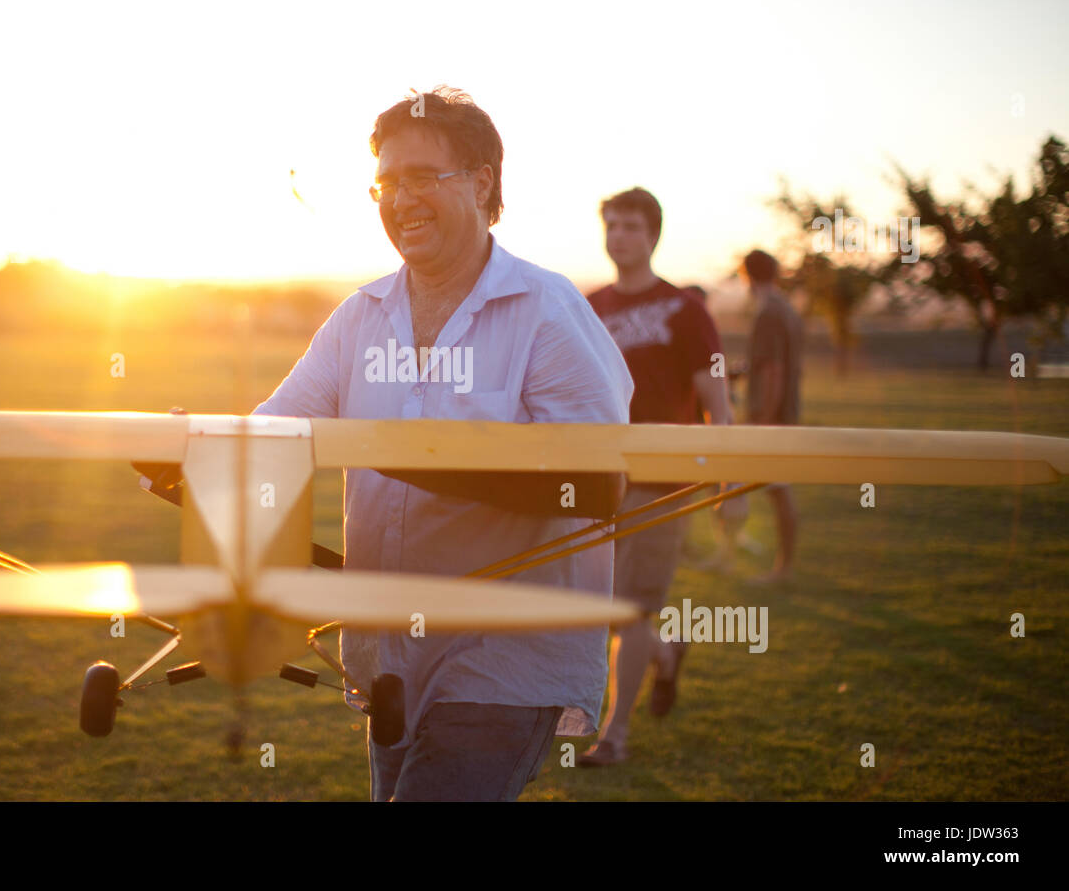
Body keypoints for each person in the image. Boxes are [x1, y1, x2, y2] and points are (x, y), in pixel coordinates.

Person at [251, 87, 633, 800]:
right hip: (386, 654)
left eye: (423, 177)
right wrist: (190, 443)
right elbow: (277, 431)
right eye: (388, 183)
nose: (402, 200)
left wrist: (419, 457)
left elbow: (596, 485)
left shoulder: (549, 312)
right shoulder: (357, 318)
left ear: (482, 182)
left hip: (505, 652)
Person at [579, 187, 740, 765]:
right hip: (597, 481)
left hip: (662, 481)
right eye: (612, 225)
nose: (618, 235)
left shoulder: (684, 310)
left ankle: (613, 736)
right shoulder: (588, 307)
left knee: (632, 607)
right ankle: (666, 652)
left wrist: (725, 480)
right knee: (603, 603)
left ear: (653, 235)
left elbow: (716, 403)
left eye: (630, 226)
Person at [741, 249, 802, 585]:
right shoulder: (787, 309)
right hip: (785, 413)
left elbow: (775, 371)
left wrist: (763, 422)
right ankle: (781, 565)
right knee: (778, 491)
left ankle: (782, 569)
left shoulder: (767, 313)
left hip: (773, 419)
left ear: (746, 275)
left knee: (779, 492)